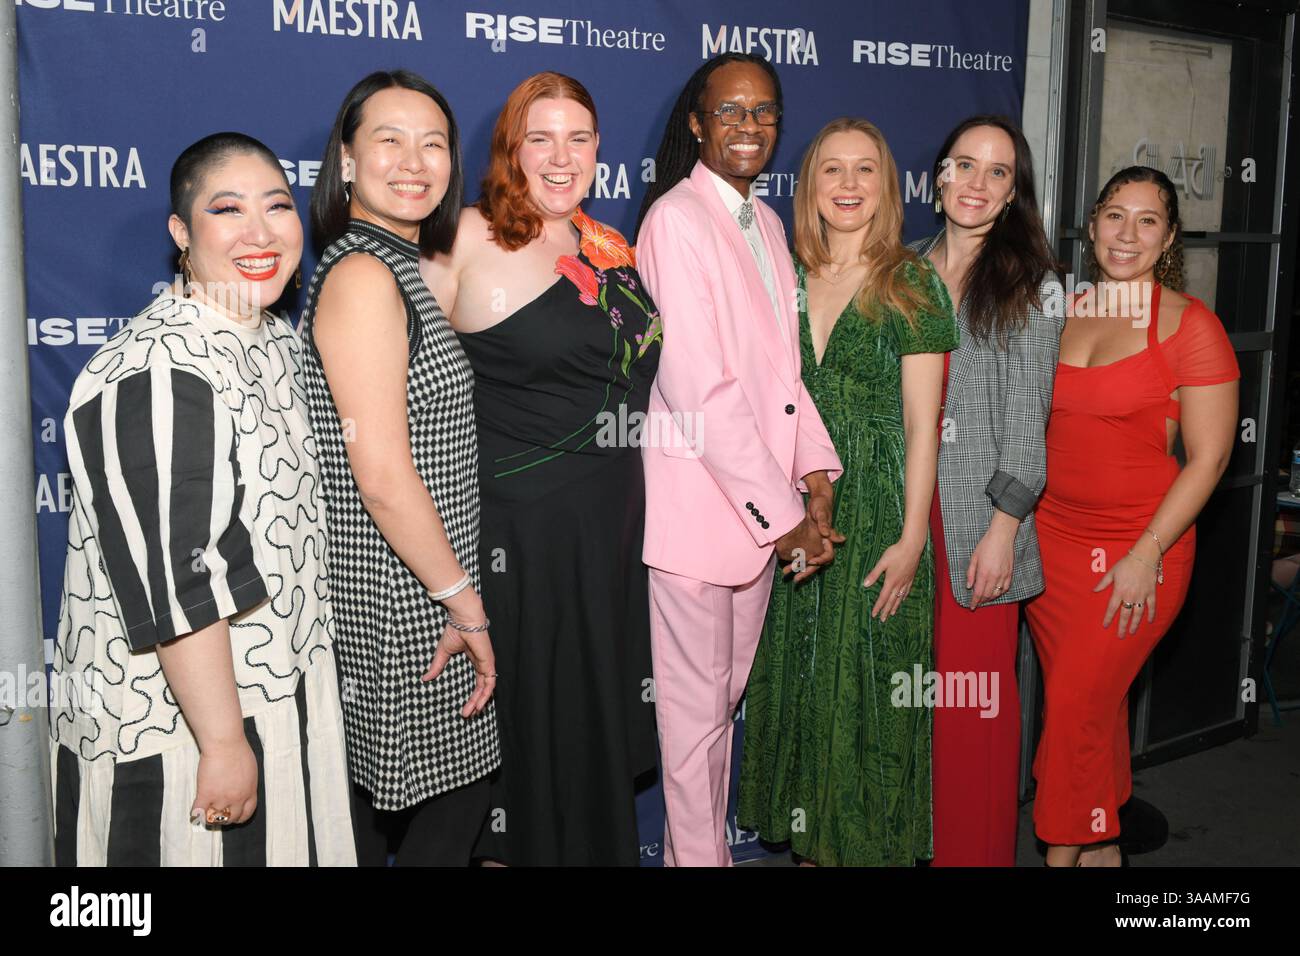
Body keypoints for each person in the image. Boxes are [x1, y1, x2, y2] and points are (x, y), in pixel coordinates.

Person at [50, 132, 355, 866]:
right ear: (182, 233)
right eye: (228, 209)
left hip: (282, 701)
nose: (260, 232)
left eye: (278, 206)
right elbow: (177, 579)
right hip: (175, 735)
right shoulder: (155, 372)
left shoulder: (275, 338)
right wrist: (223, 744)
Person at [421, 72, 660, 866]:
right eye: (541, 139)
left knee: (588, 732)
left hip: (611, 529)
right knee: (527, 743)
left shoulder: (606, 243)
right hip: (520, 537)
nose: (562, 158)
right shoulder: (459, 238)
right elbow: (397, 401)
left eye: (580, 138)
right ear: (509, 149)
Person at [635, 53, 843, 867]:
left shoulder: (764, 222)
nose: (748, 127)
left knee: (719, 710)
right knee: (691, 727)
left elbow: (781, 374)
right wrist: (785, 517)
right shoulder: (675, 223)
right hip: (699, 520)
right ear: (696, 123)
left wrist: (815, 471)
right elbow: (701, 389)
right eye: (729, 112)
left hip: (757, 522)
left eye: (763, 112)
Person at [737, 118, 957, 866]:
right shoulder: (783, 277)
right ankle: (810, 847)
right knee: (802, 682)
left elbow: (925, 425)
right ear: (809, 186)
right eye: (833, 170)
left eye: (867, 170)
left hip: (882, 512)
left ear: (888, 187)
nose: (850, 186)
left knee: (871, 697)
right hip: (801, 505)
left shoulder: (911, 280)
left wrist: (913, 539)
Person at [300, 70, 499, 866]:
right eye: (388, 139)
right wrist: (465, 606)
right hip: (402, 602)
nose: (414, 161)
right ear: (345, 161)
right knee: (446, 816)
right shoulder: (363, 275)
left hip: (422, 587)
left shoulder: (397, 266)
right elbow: (379, 470)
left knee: (417, 819)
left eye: (434, 143)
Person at [1025, 166, 1238, 867]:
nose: (1127, 233)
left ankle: (1061, 852)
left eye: (1148, 220)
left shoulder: (1190, 326)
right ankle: (1103, 847)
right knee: (1088, 710)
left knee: (1076, 712)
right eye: (1115, 214)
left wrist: (1146, 552)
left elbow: (1207, 460)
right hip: (1052, 546)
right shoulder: (1063, 308)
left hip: (1139, 552)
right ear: (1092, 224)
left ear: (1169, 237)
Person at [908, 115, 1064, 867]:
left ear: (1014, 191)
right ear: (936, 176)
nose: (976, 184)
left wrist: (1005, 527)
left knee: (971, 712)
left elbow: (1030, 430)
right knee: (913, 712)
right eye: (963, 165)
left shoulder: (1032, 283)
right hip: (901, 515)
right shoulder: (902, 265)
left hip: (976, 524)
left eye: (997, 172)